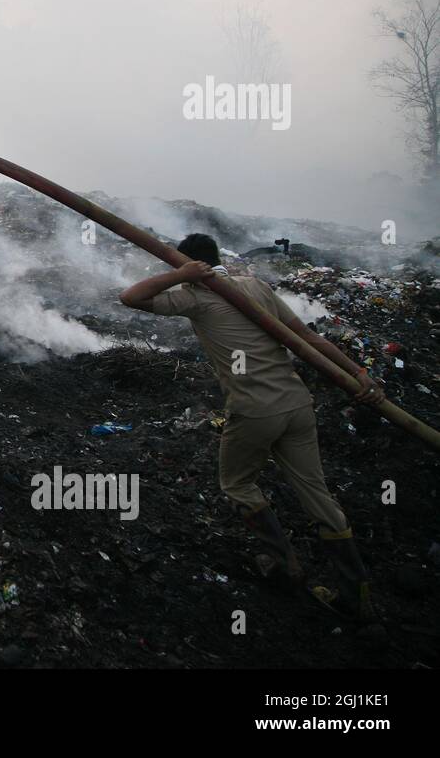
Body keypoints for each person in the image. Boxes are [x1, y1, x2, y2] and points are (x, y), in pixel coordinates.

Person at [119, 233, 385, 621]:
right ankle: (356, 595)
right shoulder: (255, 287)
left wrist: (181, 275)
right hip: (297, 404)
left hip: (254, 410)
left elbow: (131, 296)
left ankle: (284, 566)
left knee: (237, 484)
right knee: (318, 495)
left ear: (188, 264)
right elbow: (307, 337)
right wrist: (358, 371)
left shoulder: (195, 295)